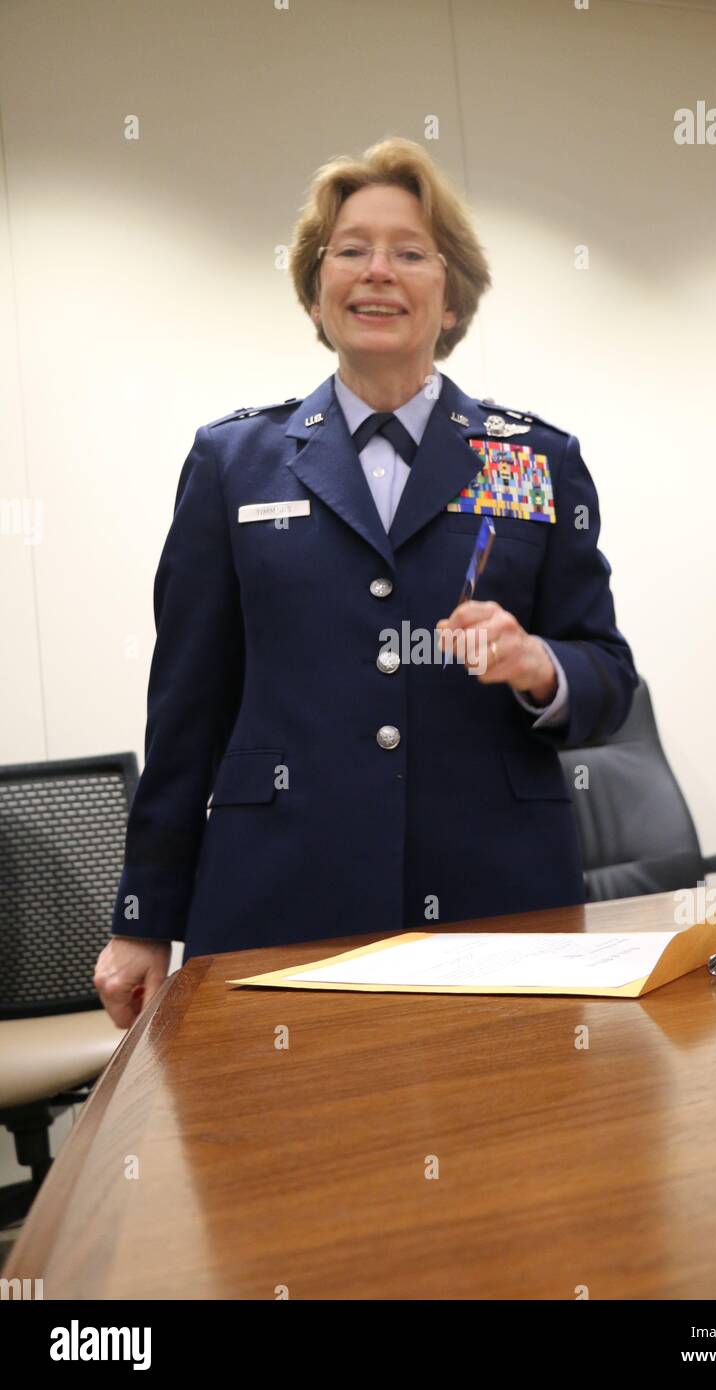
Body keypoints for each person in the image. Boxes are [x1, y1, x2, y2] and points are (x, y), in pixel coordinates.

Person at [94, 136, 638, 1028]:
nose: (377, 271)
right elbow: (186, 703)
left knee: (504, 1155)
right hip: (279, 894)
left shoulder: (537, 459)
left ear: (452, 292)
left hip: (496, 900)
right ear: (316, 288)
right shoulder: (235, 462)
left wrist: (541, 663)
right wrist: (144, 917)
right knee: (279, 1157)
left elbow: (608, 676)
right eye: (350, 250)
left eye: (410, 252)